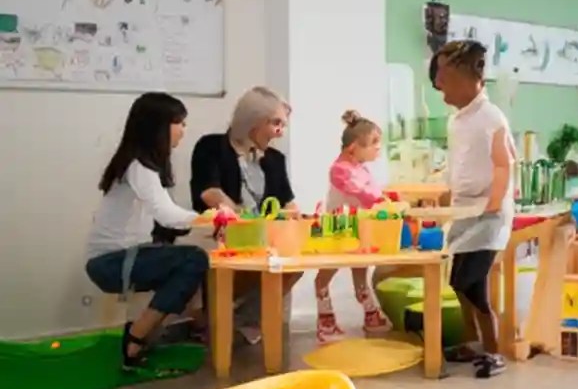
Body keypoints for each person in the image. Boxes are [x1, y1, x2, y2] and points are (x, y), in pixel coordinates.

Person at [85, 93, 227, 368]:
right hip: (111, 262)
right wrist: (212, 219)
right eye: (179, 123)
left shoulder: (138, 165)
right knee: (194, 259)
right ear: (158, 127)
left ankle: (146, 332)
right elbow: (167, 214)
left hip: (119, 257)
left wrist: (204, 223)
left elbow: (166, 218)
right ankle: (136, 336)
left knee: (192, 259)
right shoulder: (139, 167)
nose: (184, 130)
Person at [189, 86, 300, 344]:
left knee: (293, 264)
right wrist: (244, 221)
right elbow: (210, 193)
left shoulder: (275, 159)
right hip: (222, 233)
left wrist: (292, 217)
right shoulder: (211, 147)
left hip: (262, 237)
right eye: (275, 123)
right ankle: (218, 320)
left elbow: (288, 203)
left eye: (283, 125)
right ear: (253, 120)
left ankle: (243, 322)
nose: (280, 132)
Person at [432, 40, 516, 379]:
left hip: (488, 215)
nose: (439, 83)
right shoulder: (456, 121)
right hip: (463, 211)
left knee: (473, 283)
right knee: (456, 281)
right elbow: (459, 161)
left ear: (470, 78)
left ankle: (494, 351)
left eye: (445, 76)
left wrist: (494, 201)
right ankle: (472, 342)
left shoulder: (491, 117)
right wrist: (446, 190)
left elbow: (504, 163)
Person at [314, 110, 394, 344]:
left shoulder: (361, 168)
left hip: (357, 228)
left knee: (361, 271)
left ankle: (370, 313)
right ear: (353, 148)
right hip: (337, 228)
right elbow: (361, 192)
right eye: (374, 143)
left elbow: (372, 192)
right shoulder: (339, 169)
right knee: (325, 275)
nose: (378, 148)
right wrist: (380, 199)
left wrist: (386, 198)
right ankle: (325, 321)